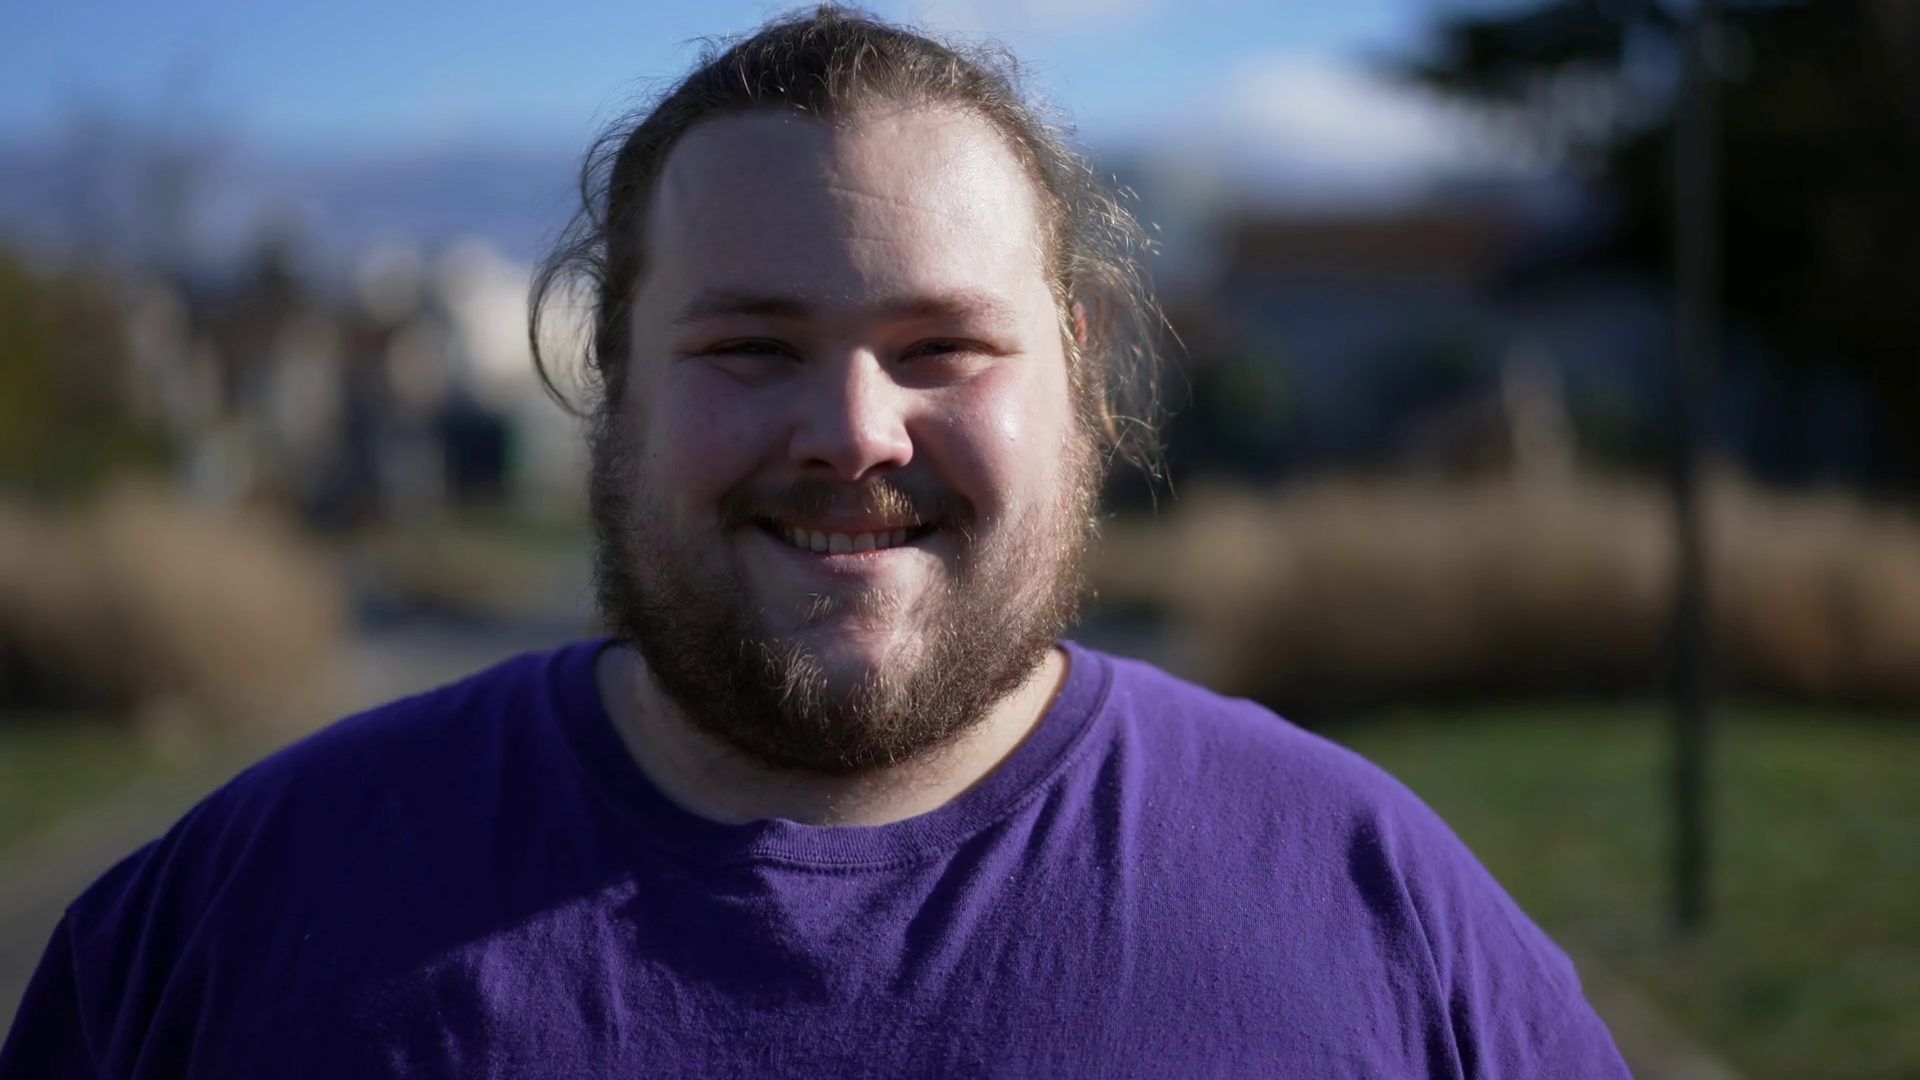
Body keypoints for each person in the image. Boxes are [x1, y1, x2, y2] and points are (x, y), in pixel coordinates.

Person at [0, 8, 1630, 1077]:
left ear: (1082, 374)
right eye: (748, 346)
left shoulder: (1377, 910)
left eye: (942, 346)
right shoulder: (234, 917)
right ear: (611, 377)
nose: (853, 430)